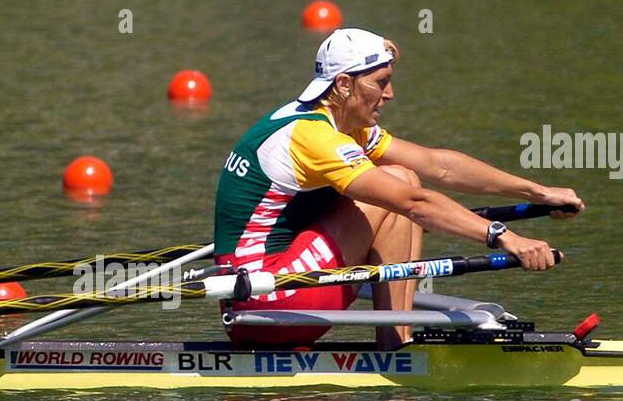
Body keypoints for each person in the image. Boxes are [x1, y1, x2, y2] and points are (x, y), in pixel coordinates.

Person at [213, 27, 584, 349]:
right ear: (344, 85)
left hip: (266, 293)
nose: (389, 94)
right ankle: (396, 343)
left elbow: (439, 165)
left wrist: (537, 192)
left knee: (403, 175)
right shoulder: (312, 136)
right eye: (380, 82)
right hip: (266, 303)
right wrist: (505, 238)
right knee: (401, 187)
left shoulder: (334, 122)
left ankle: (396, 340)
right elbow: (414, 203)